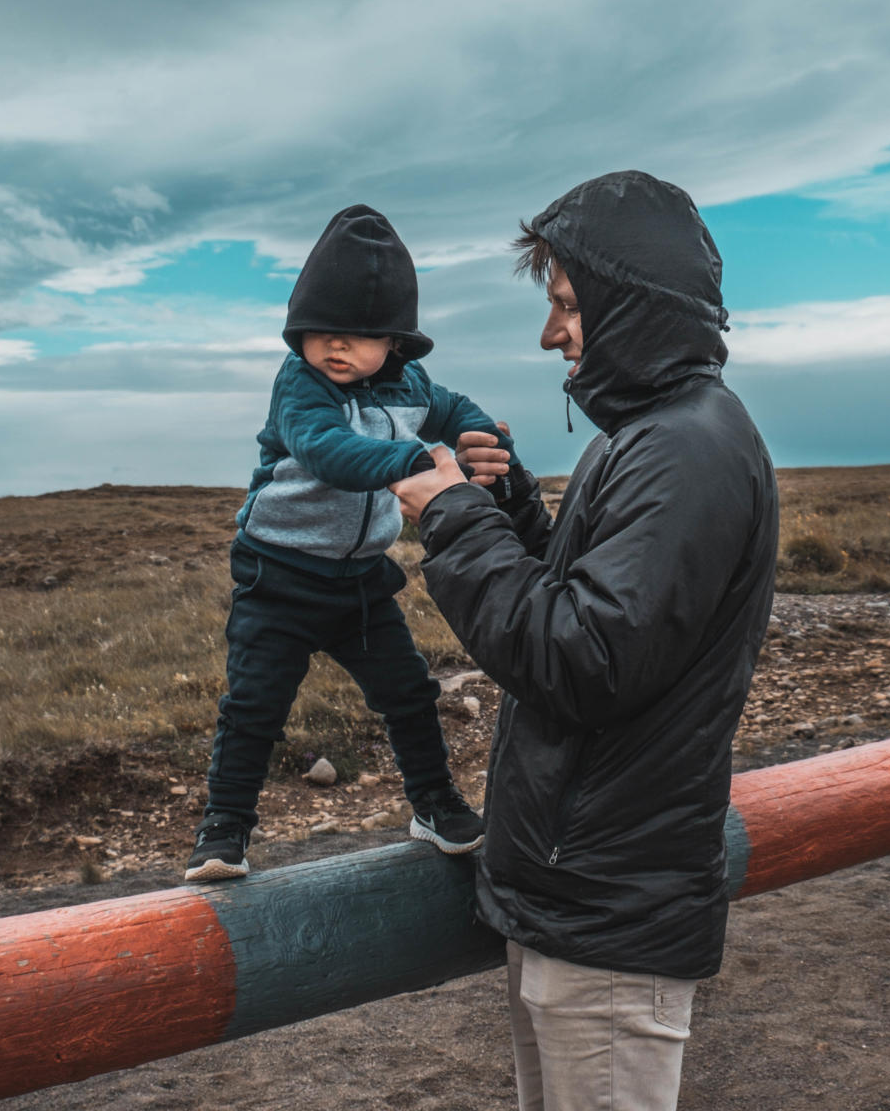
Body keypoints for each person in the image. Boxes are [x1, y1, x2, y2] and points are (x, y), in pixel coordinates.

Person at [389, 170, 779, 1108]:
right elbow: (590, 603)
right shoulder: (648, 436)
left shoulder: (685, 449)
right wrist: (510, 506)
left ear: (629, 305)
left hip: (609, 909)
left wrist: (451, 522)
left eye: (566, 303)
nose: (550, 331)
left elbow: (584, 659)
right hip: (583, 898)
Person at [185, 203, 522, 882]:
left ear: (395, 342)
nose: (335, 346)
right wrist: (415, 465)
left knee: (409, 693)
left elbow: (458, 413)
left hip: (362, 580)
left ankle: (434, 806)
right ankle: (224, 834)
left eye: (357, 335)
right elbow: (329, 453)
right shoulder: (299, 386)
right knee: (254, 706)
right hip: (276, 576)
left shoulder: (411, 384)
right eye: (320, 331)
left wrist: (487, 442)